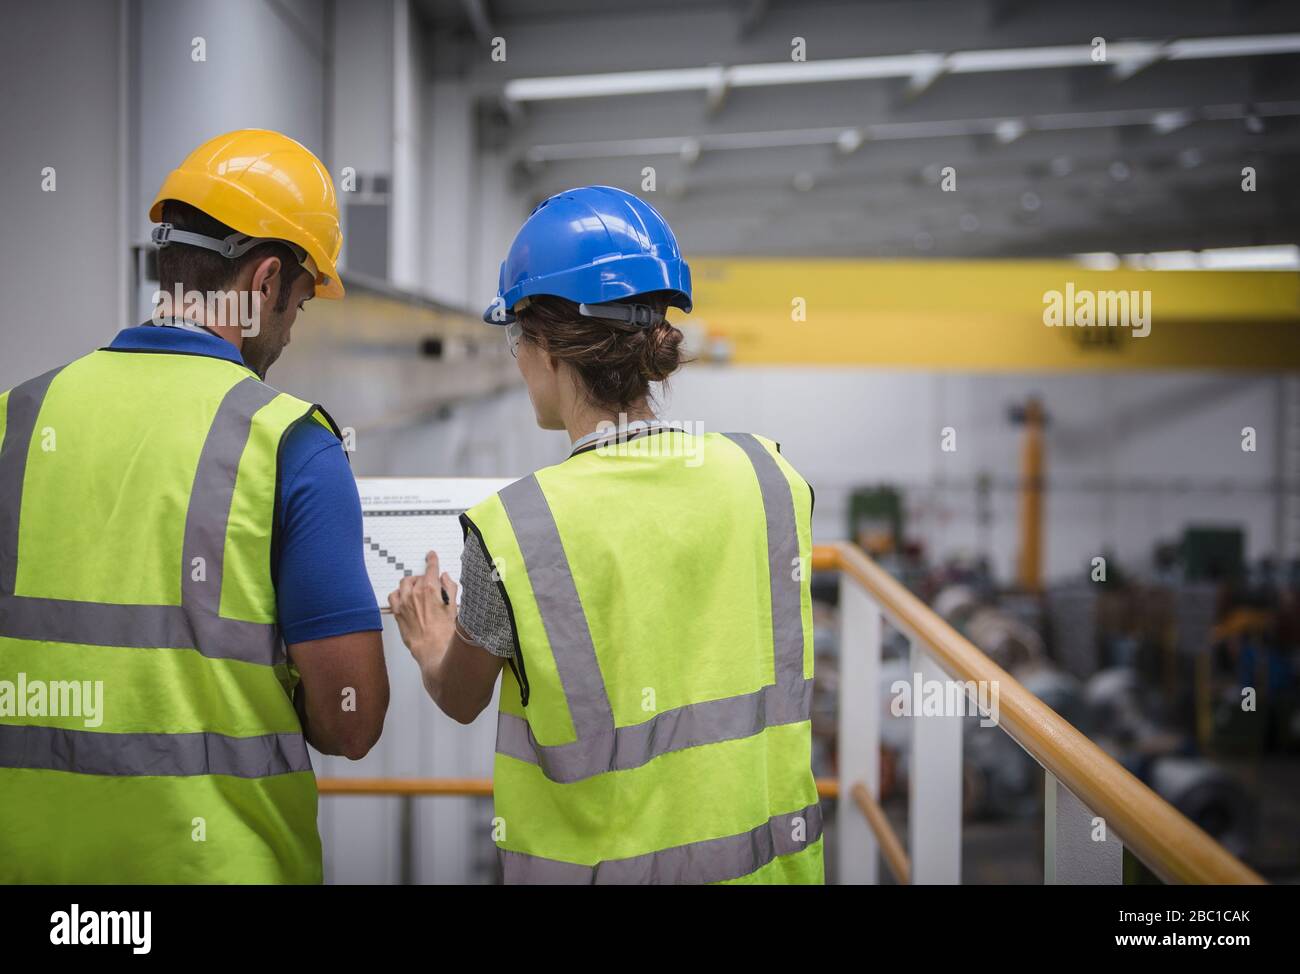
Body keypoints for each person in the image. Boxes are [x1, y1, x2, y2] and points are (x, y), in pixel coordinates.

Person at [389, 185, 823, 884]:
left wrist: (427, 631)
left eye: (514, 339)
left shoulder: (516, 529)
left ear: (544, 348)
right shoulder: (769, 476)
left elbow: (461, 695)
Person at [0, 129, 388, 883]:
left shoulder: (17, 420)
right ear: (266, 281)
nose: (290, 327)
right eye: (301, 302)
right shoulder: (291, 447)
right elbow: (350, 720)